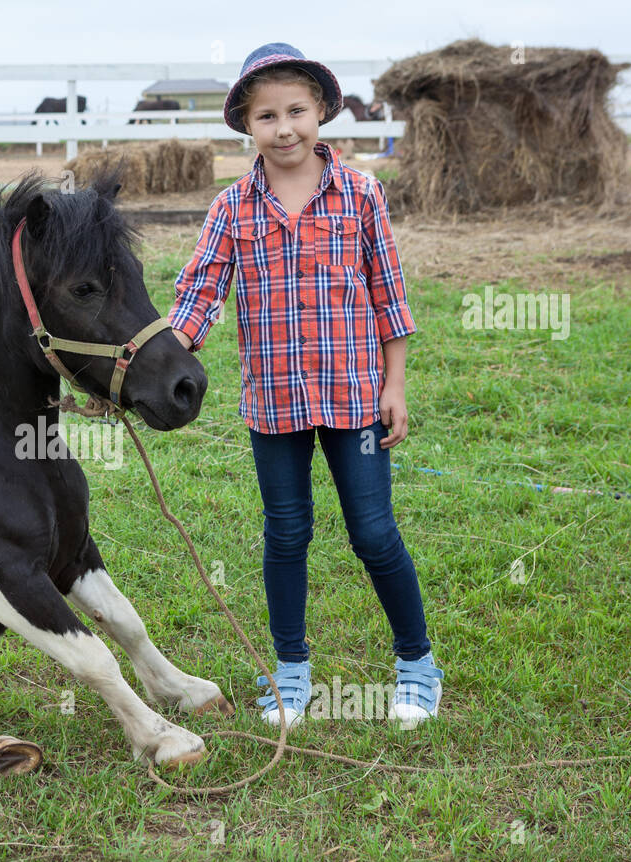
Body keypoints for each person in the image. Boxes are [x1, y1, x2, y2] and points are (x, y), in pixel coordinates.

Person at [167, 42, 443, 730]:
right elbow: (199, 294)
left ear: (322, 110)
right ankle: (290, 671)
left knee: (374, 533)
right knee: (286, 534)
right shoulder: (233, 207)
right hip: (275, 403)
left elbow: (389, 294)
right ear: (247, 125)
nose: (284, 127)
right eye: (267, 115)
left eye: (296, 111)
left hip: (355, 400)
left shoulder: (361, 194)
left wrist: (395, 384)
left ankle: (417, 663)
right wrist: (158, 356)